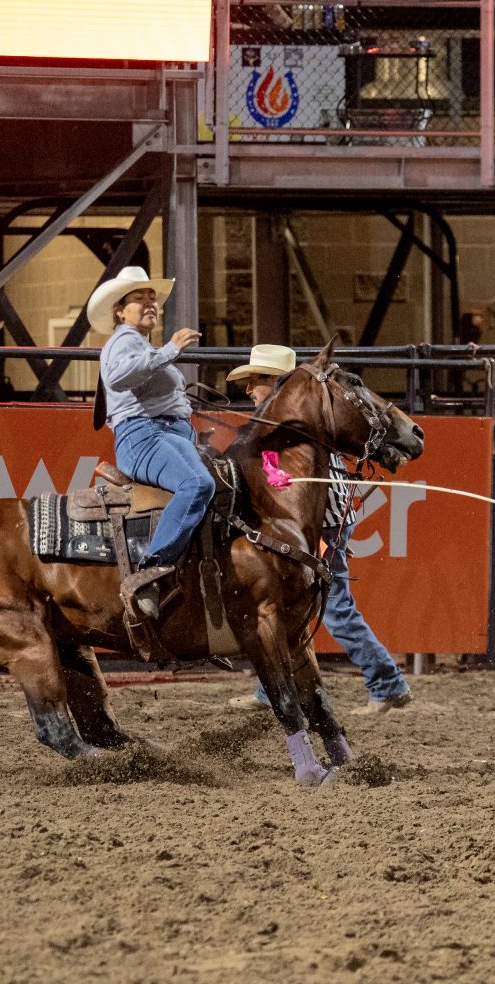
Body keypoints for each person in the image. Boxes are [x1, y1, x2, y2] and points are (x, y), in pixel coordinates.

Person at [224, 344, 414, 717]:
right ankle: (268, 690)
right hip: (323, 524)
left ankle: (387, 682)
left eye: (255, 381)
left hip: (321, 528)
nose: (249, 390)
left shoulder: (292, 419)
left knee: (336, 607)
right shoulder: (300, 414)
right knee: (287, 605)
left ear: (276, 383)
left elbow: (279, 477)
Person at [86, 266, 214, 621]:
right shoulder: (123, 342)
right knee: (197, 484)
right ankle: (151, 571)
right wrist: (170, 350)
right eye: (138, 298)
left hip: (166, 433)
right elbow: (119, 376)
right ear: (119, 311)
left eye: (151, 297)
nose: (149, 303)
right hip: (143, 435)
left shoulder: (140, 345)